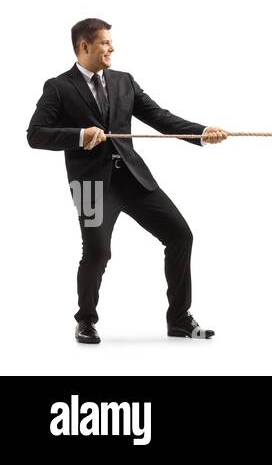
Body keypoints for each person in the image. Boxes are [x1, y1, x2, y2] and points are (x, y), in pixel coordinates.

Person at [26, 18, 229, 344]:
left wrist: (202, 133)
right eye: (105, 42)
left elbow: (160, 117)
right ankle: (86, 321)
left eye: (111, 42)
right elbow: (35, 135)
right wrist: (80, 136)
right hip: (91, 186)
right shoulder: (59, 87)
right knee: (97, 252)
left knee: (180, 236)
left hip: (133, 179)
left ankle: (178, 320)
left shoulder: (123, 81)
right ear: (85, 46)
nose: (112, 48)